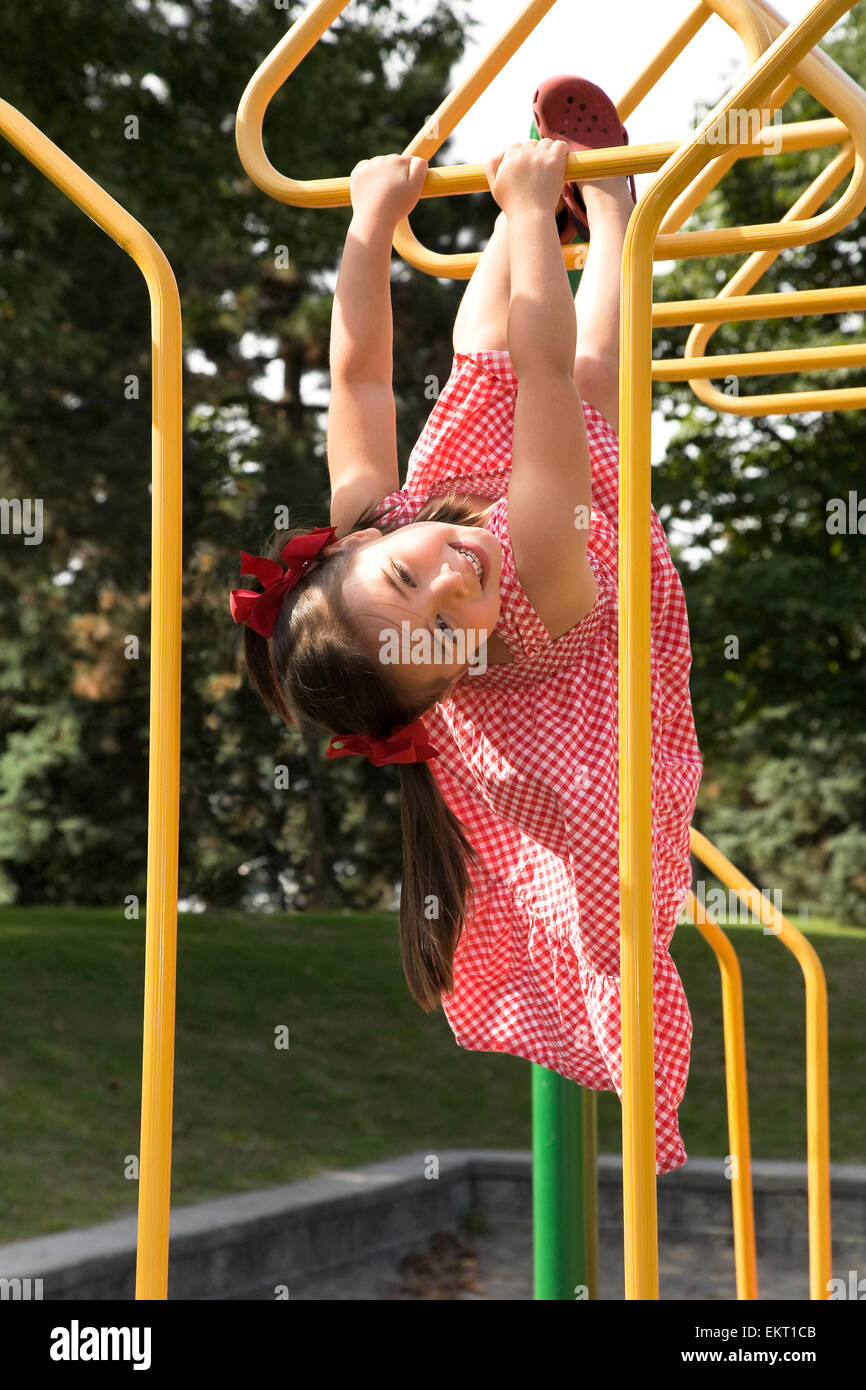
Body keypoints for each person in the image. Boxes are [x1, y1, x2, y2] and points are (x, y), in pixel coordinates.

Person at [231, 78, 703, 1174]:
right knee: (585, 366)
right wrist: (527, 217)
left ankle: (545, 189)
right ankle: (613, 208)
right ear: (450, 681)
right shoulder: (523, 596)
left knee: (477, 348)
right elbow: (544, 374)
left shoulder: (387, 522)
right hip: (577, 523)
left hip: (490, 461)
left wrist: (366, 227)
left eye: (407, 576)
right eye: (448, 628)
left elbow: (357, 378)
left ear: (353, 541)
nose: (455, 581)